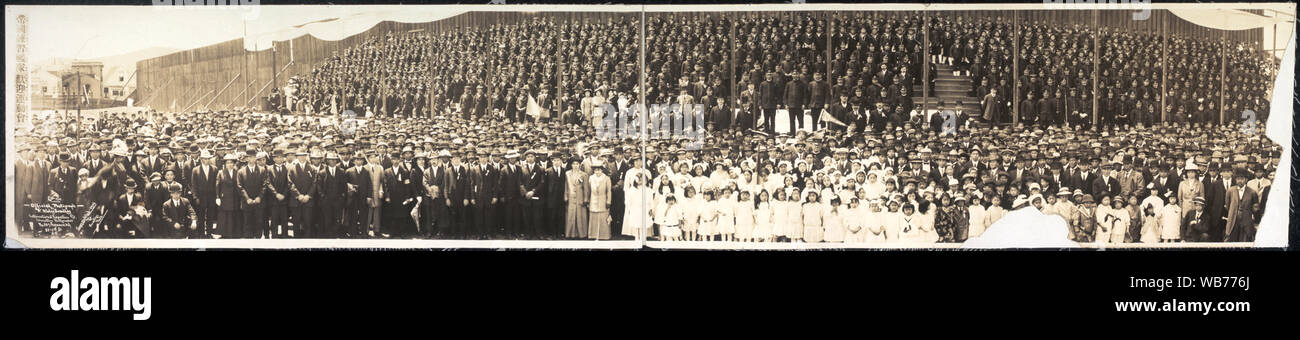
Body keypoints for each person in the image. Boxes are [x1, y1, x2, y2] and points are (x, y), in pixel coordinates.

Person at [587, 160, 613, 240]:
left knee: (603, 218)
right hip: (593, 200)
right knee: (594, 218)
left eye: (599, 169)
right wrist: (588, 201)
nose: (597, 171)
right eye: (595, 170)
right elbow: (588, 190)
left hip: (603, 200)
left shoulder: (606, 178)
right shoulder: (591, 178)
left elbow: (609, 191)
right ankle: (593, 235)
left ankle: (604, 235)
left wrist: (608, 201)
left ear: (602, 170)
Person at [564, 158, 589, 239]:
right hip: (571, 197)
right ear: (571, 165)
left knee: (580, 215)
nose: (575, 166)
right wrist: (566, 196)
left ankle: (581, 234)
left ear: (579, 165)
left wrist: (586, 199)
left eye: (577, 164)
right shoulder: (567, 173)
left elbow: (586, 188)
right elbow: (566, 186)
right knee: (571, 215)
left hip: (580, 196)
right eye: (574, 164)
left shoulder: (584, 174)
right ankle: (570, 234)